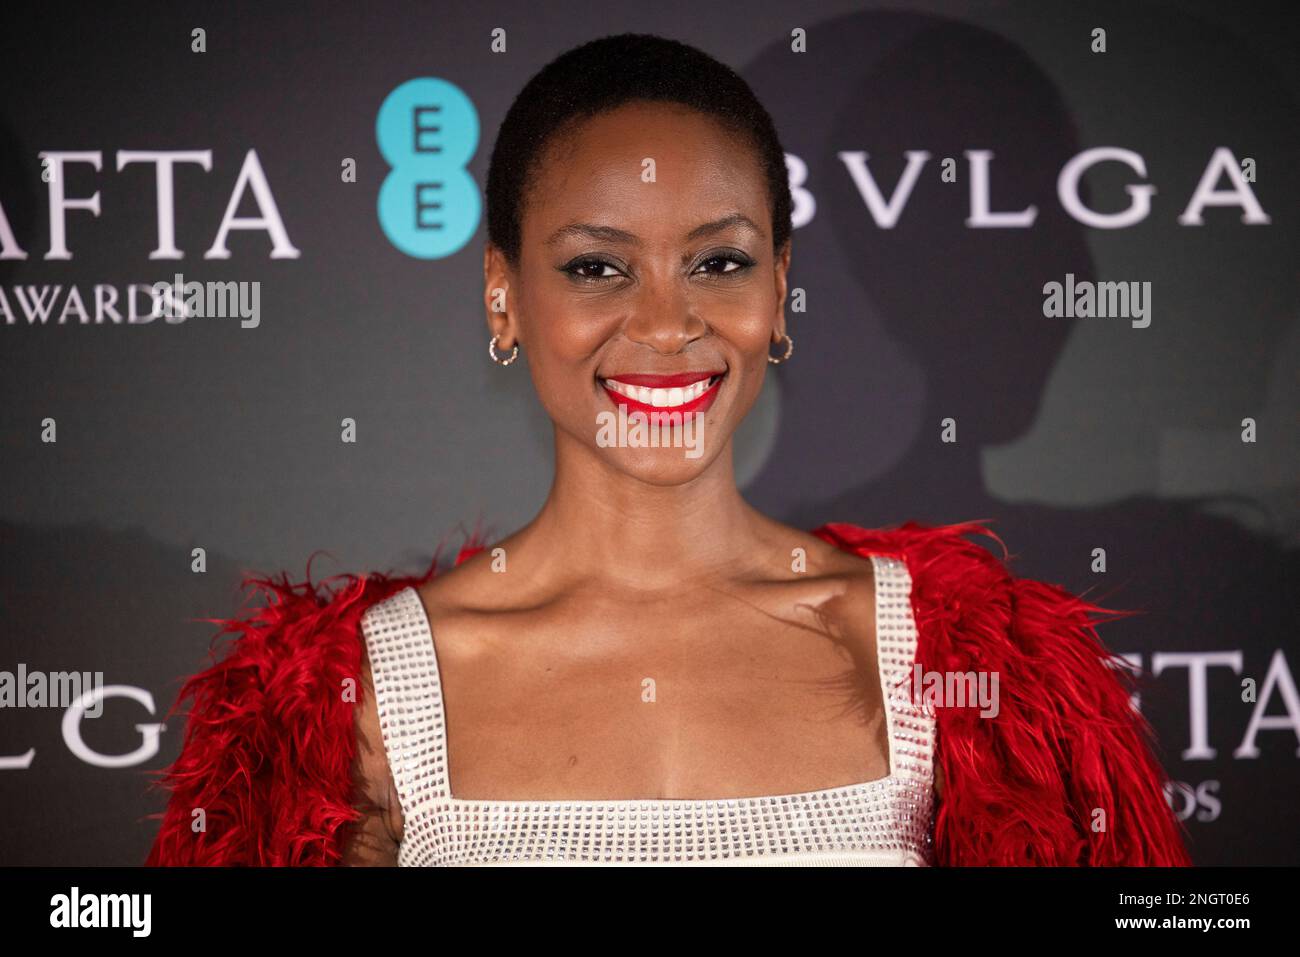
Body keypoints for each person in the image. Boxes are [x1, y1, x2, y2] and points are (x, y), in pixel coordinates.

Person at [145, 33, 1190, 867]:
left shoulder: (961, 670)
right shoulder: (358, 702)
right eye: (598, 267)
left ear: (779, 288)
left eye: (718, 261)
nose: (663, 323)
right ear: (501, 293)